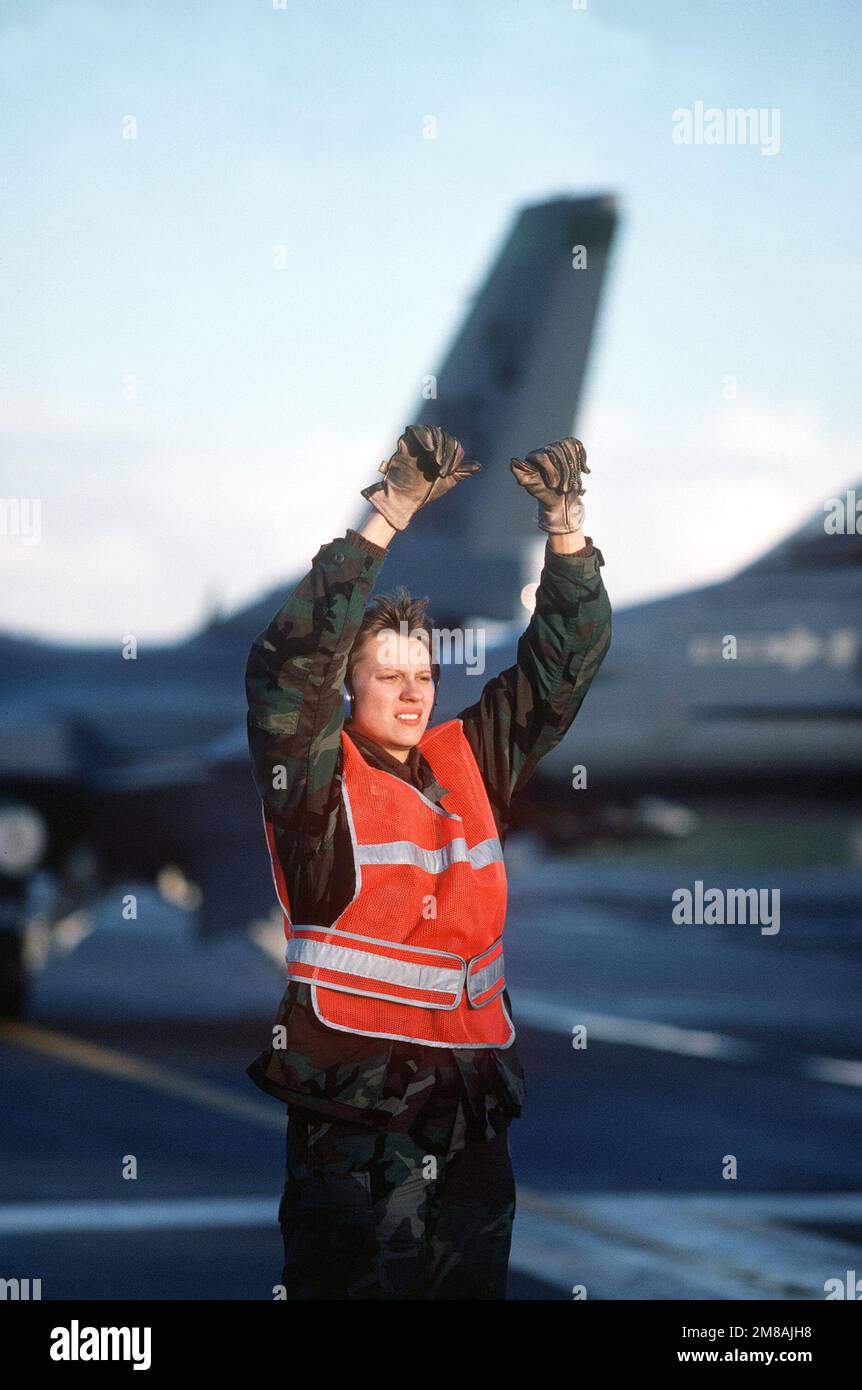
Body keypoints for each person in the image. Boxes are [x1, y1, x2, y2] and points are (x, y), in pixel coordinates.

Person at [245, 425, 612, 1298]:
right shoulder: (315, 786)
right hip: (359, 1123)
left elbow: (557, 678)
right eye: (388, 678)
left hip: (472, 1111)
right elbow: (287, 667)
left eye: (423, 676)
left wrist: (566, 531)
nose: (413, 693)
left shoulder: (467, 761)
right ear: (349, 692)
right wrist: (389, 515)